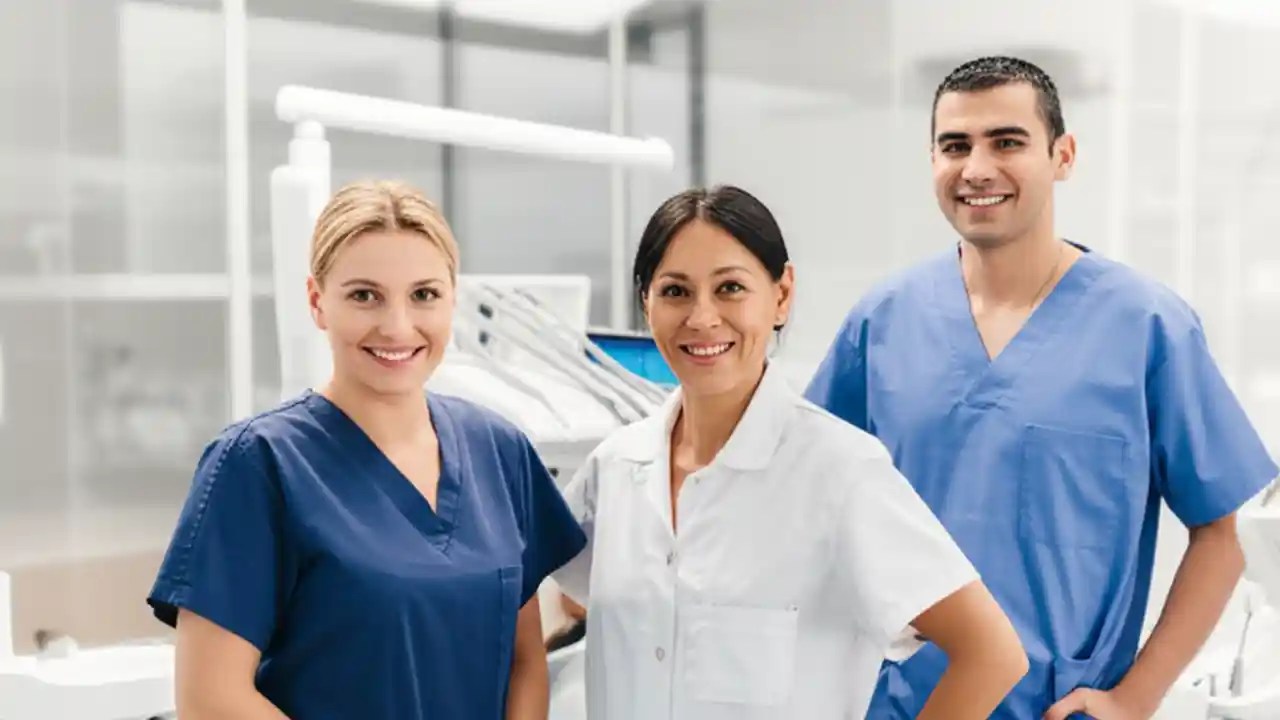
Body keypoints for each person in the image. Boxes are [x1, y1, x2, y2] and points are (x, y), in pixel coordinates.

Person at [804, 56, 1280, 720]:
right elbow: (804, 500)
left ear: (1063, 155)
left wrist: (1135, 698)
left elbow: (1220, 532)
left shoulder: (1146, 327)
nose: (976, 168)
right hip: (903, 706)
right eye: (955, 146)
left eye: (1006, 141)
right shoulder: (882, 322)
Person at [552, 184, 1030, 720]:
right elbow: (548, 595)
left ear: (781, 296)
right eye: (675, 291)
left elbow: (991, 652)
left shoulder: (840, 472)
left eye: (730, 288)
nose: (702, 317)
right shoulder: (615, 468)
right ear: (646, 302)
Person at [145, 180, 587, 720]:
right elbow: (211, 699)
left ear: (453, 298)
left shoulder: (499, 451)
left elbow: (523, 662)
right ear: (316, 301)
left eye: (423, 294)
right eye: (364, 295)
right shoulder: (258, 464)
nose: (397, 326)